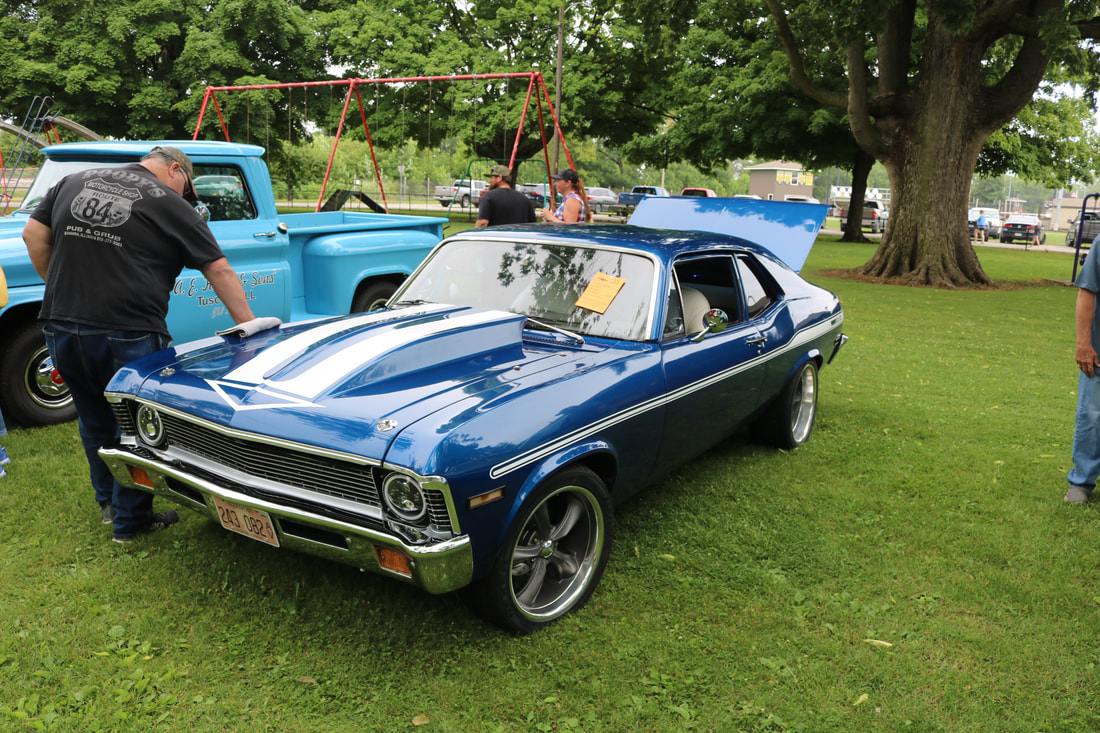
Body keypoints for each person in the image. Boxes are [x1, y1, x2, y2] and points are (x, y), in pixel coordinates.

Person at [22, 145, 257, 541]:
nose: (186, 196)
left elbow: (33, 235)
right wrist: (251, 328)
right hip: (127, 328)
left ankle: (109, 505)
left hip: (60, 324)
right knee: (136, 427)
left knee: (95, 419)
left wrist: (61, 291)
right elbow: (217, 267)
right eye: (187, 188)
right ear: (177, 171)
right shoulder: (170, 202)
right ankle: (131, 524)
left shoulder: (72, 181)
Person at [1066, 233, 1100, 503]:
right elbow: (1087, 290)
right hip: (1098, 354)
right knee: (1091, 417)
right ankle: (1081, 482)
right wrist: (1083, 344)